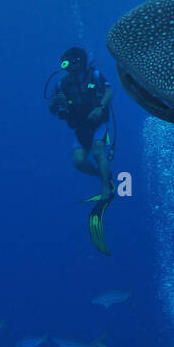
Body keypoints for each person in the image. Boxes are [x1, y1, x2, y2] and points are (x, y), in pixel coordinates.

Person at [47, 46, 116, 253]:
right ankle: (104, 177)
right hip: (80, 126)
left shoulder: (94, 74)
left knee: (98, 151)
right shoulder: (61, 84)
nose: (64, 67)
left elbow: (110, 91)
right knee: (78, 162)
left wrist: (100, 107)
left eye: (67, 63)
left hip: (98, 123)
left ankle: (106, 190)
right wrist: (55, 103)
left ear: (78, 61)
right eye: (63, 64)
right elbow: (53, 109)